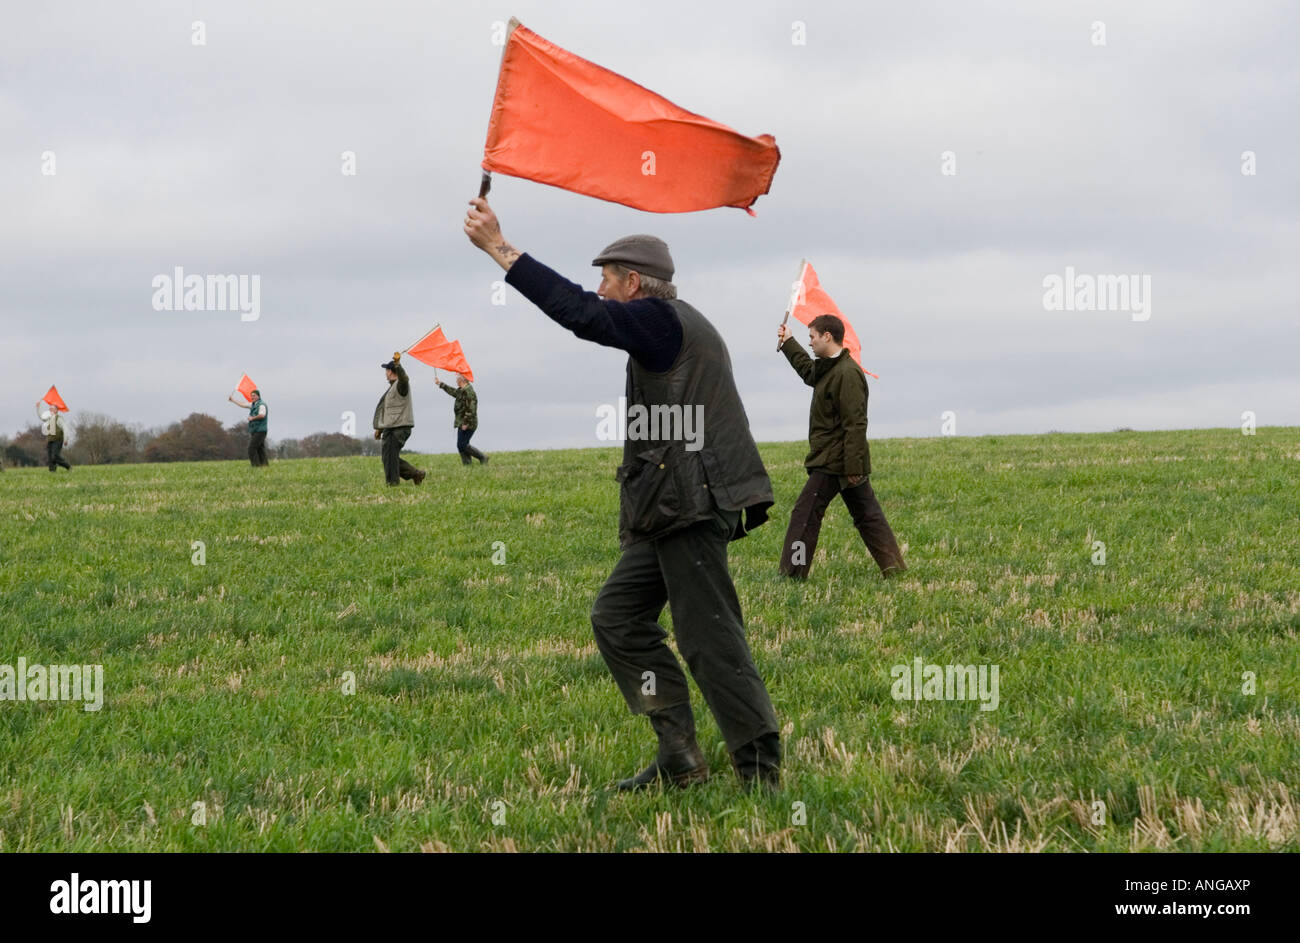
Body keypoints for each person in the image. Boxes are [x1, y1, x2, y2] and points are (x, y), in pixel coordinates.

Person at [465, 196, 782, 791]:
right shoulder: (670, 326)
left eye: (607, 281)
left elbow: (580, 314)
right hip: (670, 506)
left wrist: (500, 249)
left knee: (710, 638)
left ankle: (761, 772)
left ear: (633, 282)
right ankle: (679, 755)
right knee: (617, 617)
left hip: (689, 505)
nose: (601, 292)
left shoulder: (661, 324)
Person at [776, 316, 906, 579]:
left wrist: (854, 467)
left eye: (812, 336)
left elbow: (855, 424)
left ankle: (792, 574)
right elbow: (808, 371)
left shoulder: (847, 373)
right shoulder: (829, 368)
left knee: (804, 516)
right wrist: (788, 342)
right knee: (868, 516)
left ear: (827, 336)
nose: (809, 342)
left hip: (834, 462)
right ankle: (895, 569)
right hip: (841, 460)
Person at [373, 352, 426, 486]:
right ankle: (416, 474)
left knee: (390, 458)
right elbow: (388, 411)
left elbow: (405, 379)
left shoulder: (401, 385)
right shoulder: (392, 388)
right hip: (392, 427)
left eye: (386, 370)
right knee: (389, 458)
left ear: (391, 371)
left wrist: (398, 365)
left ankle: (393, 486)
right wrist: (380, 428)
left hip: (398, 427)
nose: (385, 373)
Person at [437, 372, 488, 465]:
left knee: (462, 444)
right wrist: (441, 384)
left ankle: (482, 457)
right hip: (462, 422)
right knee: (461, 445)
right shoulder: (462, 390)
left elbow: (471, 409)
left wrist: (465, 423)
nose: (456, 381)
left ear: (462, 380)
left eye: (457, 379)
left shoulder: (469, 391)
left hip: (468, 423)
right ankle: (467, 465)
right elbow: (453, 392)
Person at [228, 388, 269, 467]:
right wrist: (233, 400)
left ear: (258, 396)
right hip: (255, 430)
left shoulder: (262, 405)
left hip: (260, 430)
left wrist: (252, 418)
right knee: (260, 449)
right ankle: (264, 466)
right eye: (251, 396)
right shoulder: (253, 404)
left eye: (254, 395)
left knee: (251, 448)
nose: (252, 397)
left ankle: (256, 466)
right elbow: (243, 404)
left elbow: (262, 415)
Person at [37, 401, 71, 472]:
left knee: (55, 456)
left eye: (52, 409)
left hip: (58, 440)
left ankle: (68, 466)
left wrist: (65, 439)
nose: (50, 410)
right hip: (50, 440)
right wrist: (38, 407)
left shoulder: (59, 418)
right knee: (50, 458)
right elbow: (41, 417)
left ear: (56, 410)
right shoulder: (49, 418)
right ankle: (52, 471)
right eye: (50, 409)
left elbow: (65, 428)